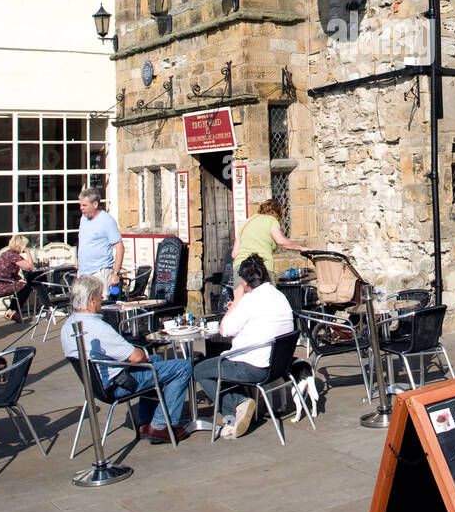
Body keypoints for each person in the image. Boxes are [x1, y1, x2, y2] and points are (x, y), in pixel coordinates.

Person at [59, 274, 194, 444]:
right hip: (117, 385)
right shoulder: (98, 328)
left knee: (156, 360)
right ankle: (161, 425)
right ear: (92, 300)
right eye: (101, 294)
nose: (103, 297)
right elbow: (136, 357)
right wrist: (139, 352)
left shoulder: (67, 326)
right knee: (183, 366)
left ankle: (146, 423)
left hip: (95, 386)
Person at [193, 254, 294, 439]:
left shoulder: (250, 300)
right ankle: (241, 409)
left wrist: (236, 303)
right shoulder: (279, 296)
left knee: (200, 370)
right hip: (278, 366)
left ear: (245, 282)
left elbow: (224, 330)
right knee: (223, 366)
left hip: (253, 367)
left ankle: (237, 407)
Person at [230, 199, 306, 280]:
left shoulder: (244, 223)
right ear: (277, 213)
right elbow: (281, 241)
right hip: (261, 269)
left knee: (240, 292)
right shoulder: (271, 220)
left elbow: (234, 254)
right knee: (267, 292)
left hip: (240, 267)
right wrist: (301, 248)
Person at [77, 187, 124, 297]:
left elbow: (120, 248)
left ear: (95, 204)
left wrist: (116, 274)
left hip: (100, 272)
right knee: (83, 307)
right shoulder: (84, 219)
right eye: (80, 205)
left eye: (84, 205)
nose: (81, 208)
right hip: (83, 273)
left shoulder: (107, 220)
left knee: (100, 308)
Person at [0, 234, 36, 321]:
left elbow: (12, 272)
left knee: (22, 286)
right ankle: (14, 311)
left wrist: (20, 280)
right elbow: (30, 267)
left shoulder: (8, 253)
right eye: (25, 246)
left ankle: (11, 310)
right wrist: (27, 252)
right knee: (27, 287)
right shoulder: (13, 256)